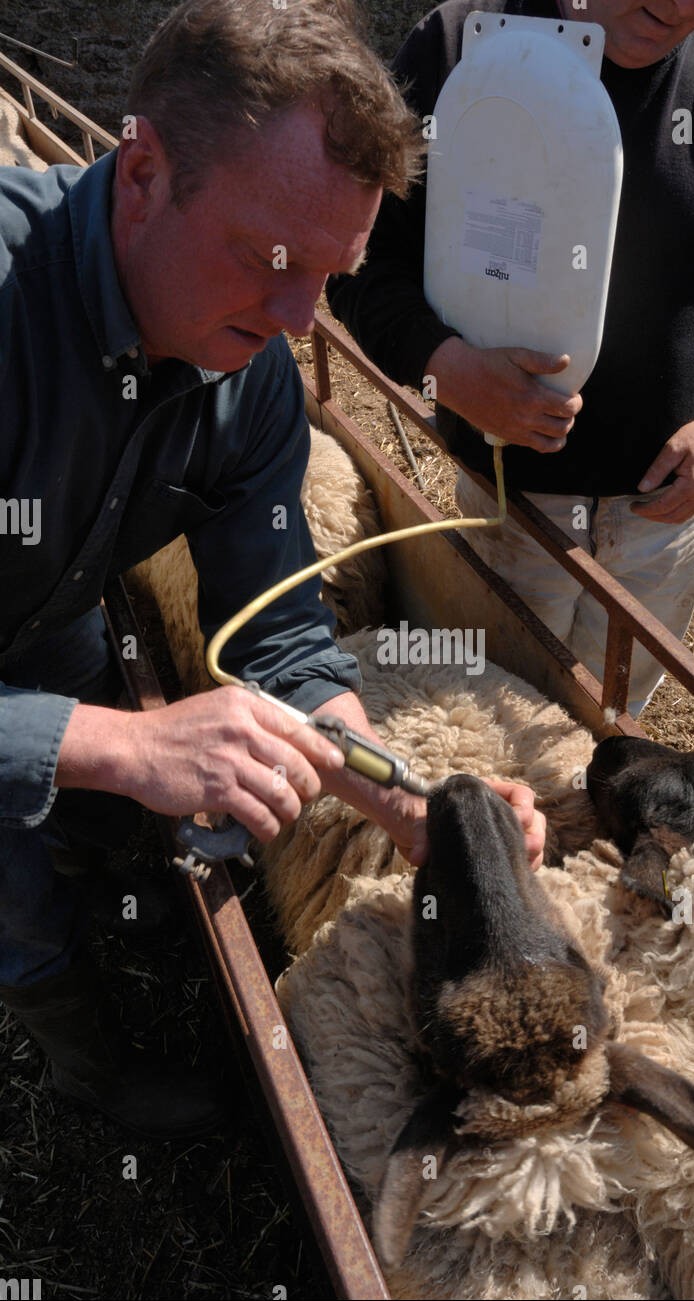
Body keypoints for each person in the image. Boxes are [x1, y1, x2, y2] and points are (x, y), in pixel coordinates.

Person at [0, 0, 545, 1138]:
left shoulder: (250, 369)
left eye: (332, 275)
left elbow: (278, 638)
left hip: (49, 614)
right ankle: (84, 1066)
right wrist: (117, 744)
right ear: (142, 168)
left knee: (89, 791)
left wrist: (401, 796)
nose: (302, 319)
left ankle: (108, 888)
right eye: (271, 259)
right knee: (19, 877)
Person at [326, 0, 694, 715]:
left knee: (607, 727)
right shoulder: (461, 48)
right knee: (491, 722)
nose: (674, 5)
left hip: (664, 523)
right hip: (508, 505)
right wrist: (446, 366)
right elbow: (364, 256)